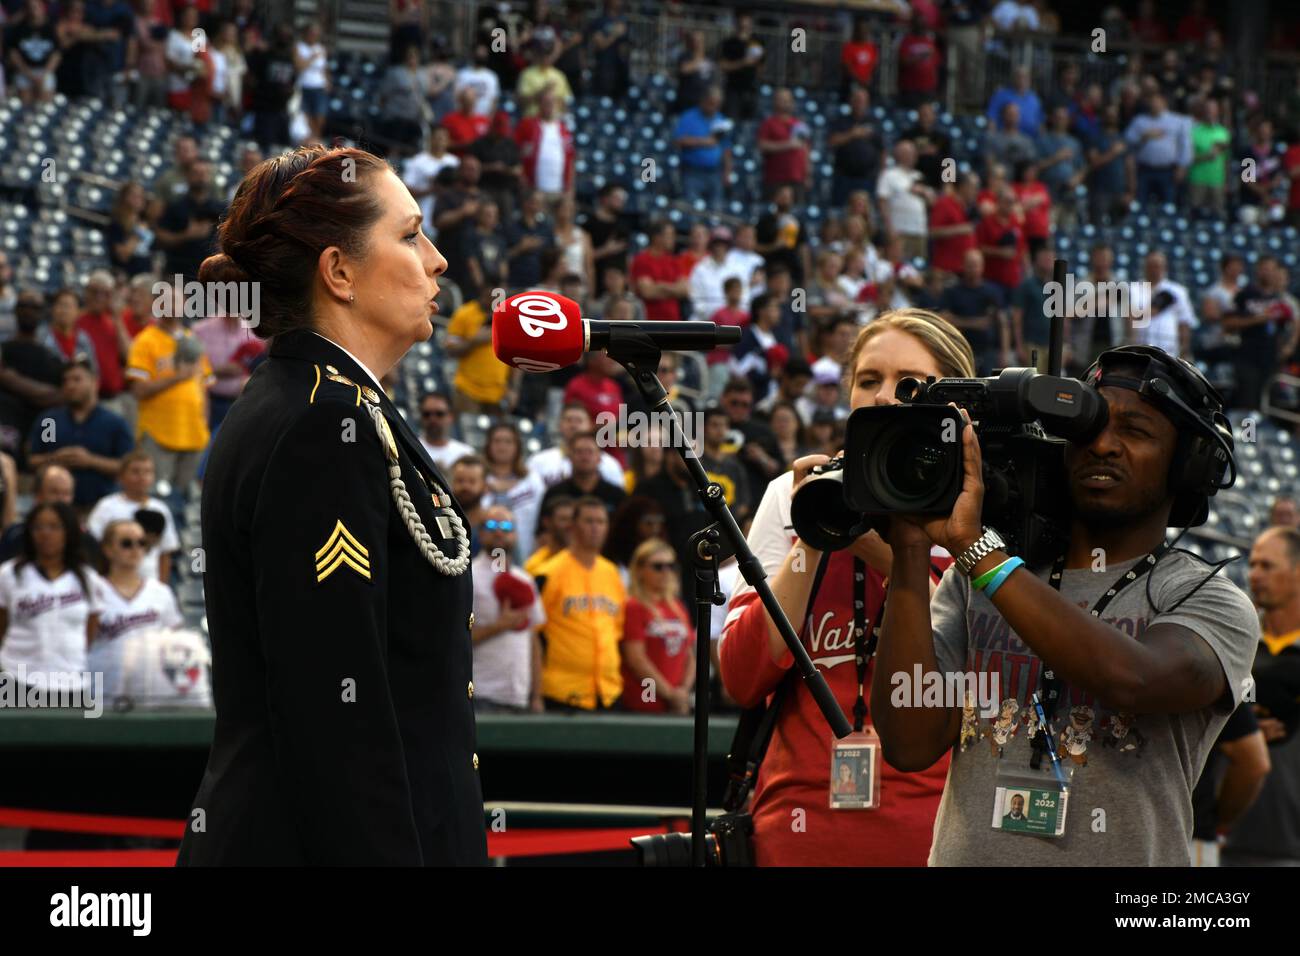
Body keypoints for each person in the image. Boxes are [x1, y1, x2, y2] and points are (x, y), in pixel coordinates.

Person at [176, 145, 487, 866]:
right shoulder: (325, 424)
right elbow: (335, 719)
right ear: (338, 272)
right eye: (410, 235)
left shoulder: (319, 402)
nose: (437, 260)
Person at [872, 345, 1257, 866]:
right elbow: (909, 743)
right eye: (1087, 430)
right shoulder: (978, 578)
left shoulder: (1208, 598)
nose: (1103, 446)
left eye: (1136, 431)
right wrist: (912, 552)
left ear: (1189, 466)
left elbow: (1133, 679)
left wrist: (980, 554)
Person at [719, 309, 976, 866]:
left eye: (910, 385)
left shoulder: (973, 513)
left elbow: (978, 668)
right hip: (795, 830)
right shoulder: (792, 497)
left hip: (936, 833)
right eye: (868, 380)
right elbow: (742, 676)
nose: (885, 398)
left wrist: (878, 551)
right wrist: (814, 533)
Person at [1223, 526, 1300, 865]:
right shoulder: (1237, 648)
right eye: (1252, 565)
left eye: (1267, 566)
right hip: (1226, 838)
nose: (1254, 575)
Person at [535, 495, 626, 711]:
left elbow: (616, 630)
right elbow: (534, 636)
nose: (596, 528)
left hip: (608, 692)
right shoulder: (547, 573)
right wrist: (535, 694)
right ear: (572, 527)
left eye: (601, 522)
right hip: (562, 693)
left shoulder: (612, 573)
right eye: (589, 521)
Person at [0, 501, 100, 696]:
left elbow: (91, 629)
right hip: (17, 679)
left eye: (55, 527)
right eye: (38, 527)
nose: (46, 533)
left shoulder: (88, 579)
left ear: (68, 532)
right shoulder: (8, 574)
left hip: (71, 681)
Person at [88, 518, 185, 708]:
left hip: (151, 692)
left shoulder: (160, 592)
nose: (135, 548)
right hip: (102, 692)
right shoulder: (93, 589)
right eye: (126, 543)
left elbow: (174, 643)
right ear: (107, 549)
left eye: (141, 543)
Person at [27, 357, 133, 509]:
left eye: (77, 379)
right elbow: (34, 459)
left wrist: (91, 461)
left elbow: (126, 466)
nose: (70, 385)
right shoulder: (50, 421)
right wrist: (55, 458)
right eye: (66, 381)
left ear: (95, 382)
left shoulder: (114, 423)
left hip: (100, 506)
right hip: (55, 508)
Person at [470, 504, 544, 713]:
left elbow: (533, 641)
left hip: (520, 695)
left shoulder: (526, 579)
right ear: (481, 533)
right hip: (482, 693)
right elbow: (455, 639)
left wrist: (537, 695)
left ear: (516, 535)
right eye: (492, 525)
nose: (499, 531)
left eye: (506, 526)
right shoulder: (468, 576)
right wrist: (500, 626)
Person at [621, 538, 693, 714]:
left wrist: (683, 690)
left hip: (677, 701)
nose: (666, 572)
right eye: (658, 567)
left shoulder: (677, 607)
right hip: (645, 700)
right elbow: (637, 660)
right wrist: (669, 694)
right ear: (639, 570)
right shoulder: (634, 606)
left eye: (671, 566)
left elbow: (690, 655)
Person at [86, 451, 179, 583]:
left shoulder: (161, 509)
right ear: (121, 476)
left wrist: (162, 586)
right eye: (135, 471)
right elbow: (94, 547)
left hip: (149, 581)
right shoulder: (106, 506)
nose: (142, 476)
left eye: (147, 472)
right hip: (112, 581)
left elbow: (165, 553)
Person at [483, 421, 545, 564]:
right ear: (488, 445)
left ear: (517, 447)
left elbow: (542, 521)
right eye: (497, 441)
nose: (502, 446)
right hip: (482, 555)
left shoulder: (532, 479)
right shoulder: (479, 478)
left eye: (508, 442)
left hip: (526, 555)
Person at [416, 390, 472, 472]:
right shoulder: (412, 450)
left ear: (451, 416)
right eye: (427, 414)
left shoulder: (465, 454)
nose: (433, 419)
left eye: (439, 414)